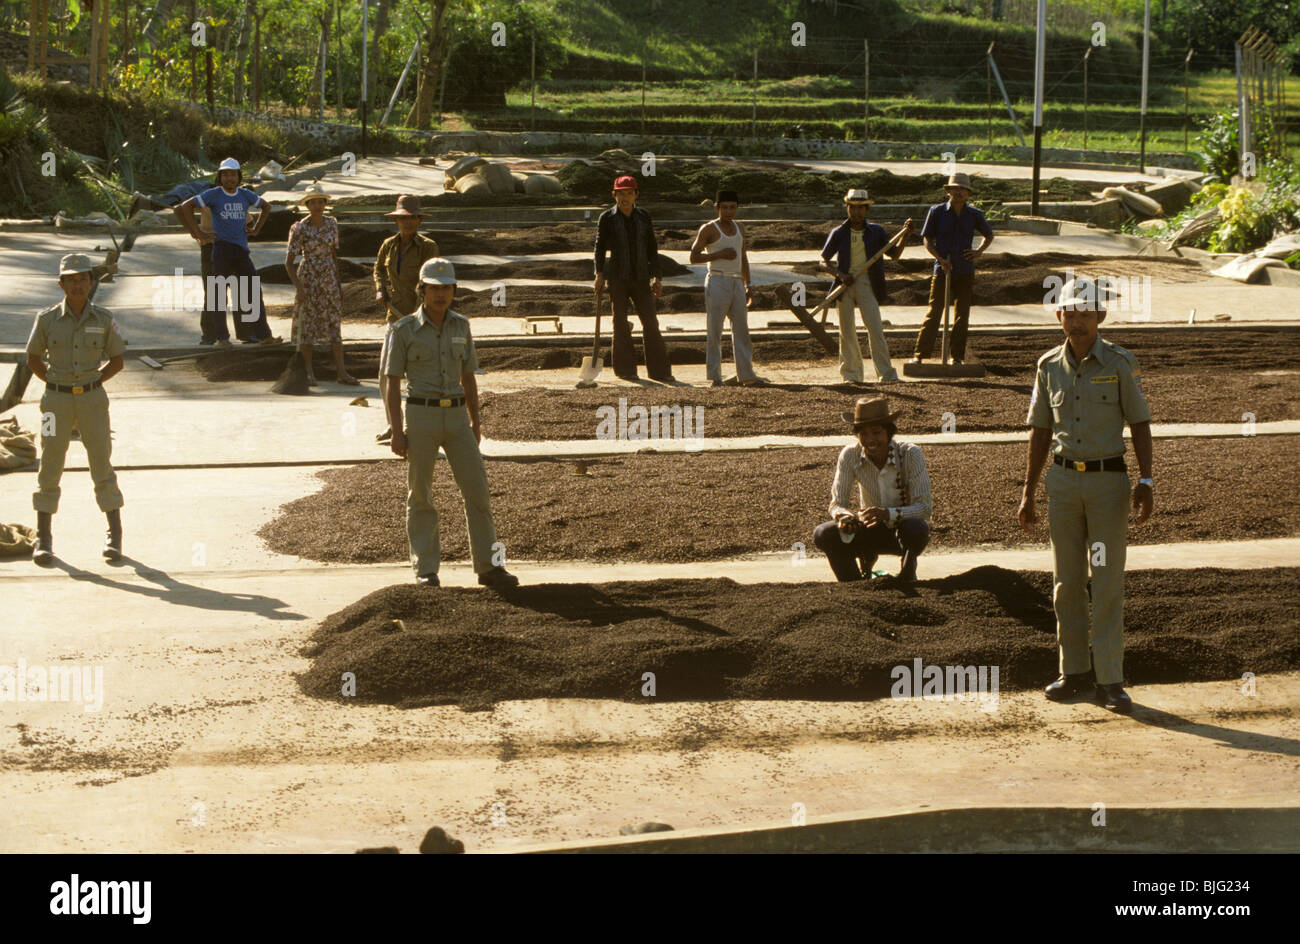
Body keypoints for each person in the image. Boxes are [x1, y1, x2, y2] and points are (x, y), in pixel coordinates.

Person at [1017, 276, 1154, 713]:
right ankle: (1073, 672)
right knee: (1066, 583)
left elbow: (1140, 423)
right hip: (1062, 484)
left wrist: (1146, 480)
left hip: (1106, 485)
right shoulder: (1047, 366)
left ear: (1100, 317)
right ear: (1059, 317)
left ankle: (1111, 678)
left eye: (1084, 314)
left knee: (1107, 580)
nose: (1076, 321)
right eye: (1068, 314)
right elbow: (1039, 430)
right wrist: (1029, 492)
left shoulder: (1119, 362)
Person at [383, 257, 518, 590]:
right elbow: (391, 383)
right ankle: (425, 569)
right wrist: (397, 431)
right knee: (421, 495)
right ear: (421, 290)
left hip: (457, 417)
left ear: (454, 290)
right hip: (421, 415)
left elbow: (468, 376)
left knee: (478, 492)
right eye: (434, 288)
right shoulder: (402, 330)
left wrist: (476, 421)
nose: (440, 294)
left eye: (446, 288)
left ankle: (489, 567)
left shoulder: (462, 326)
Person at [26, 254, 127, 564]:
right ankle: (44, 538)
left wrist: (91, 382)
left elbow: (117, 361)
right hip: (54, 404)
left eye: (83, 278)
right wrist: (57, 384)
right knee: (50, 462)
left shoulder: (104, 319)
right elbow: (32, 359)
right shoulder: (46, 319)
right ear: (61, 284)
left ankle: (115, 536)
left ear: (91, 282)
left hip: (93, 402)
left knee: (101, 462)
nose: (78, 284)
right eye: (71, 279)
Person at [812, 396, 931, 584]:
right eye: (863, 434)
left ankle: (908, 577)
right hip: (867, 530)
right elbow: (836, 504)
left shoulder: (910, 454)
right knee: (823, 533)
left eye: (876, 433)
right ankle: (854, 584)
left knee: (916, 528)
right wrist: (845, 517)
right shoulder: (850, 455)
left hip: (900, 532)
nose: (870, 440)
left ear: (889, 432)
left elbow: (924, 508)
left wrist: (887, 514)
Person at [175, 157, 278, 345]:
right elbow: (180, 208)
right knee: (215, 293)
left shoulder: (242, 195)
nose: (229, 179)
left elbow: (252, 215)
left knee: (247, 291)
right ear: (219, 177)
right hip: (213, 247)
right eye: (225, 175)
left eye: (233, 175)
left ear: (238, 177)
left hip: (239, 249)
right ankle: (214, 336)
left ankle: (256, 334)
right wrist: (196, 233)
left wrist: (254, 229)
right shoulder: (211, 195)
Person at [819, 189, 909, 384]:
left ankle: (887, 375)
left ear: (867, 209)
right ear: (847, 208)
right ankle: (851, 375)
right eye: (853, 208)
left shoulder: (877, 232)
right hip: (844, 285)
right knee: (847, 332)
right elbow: (823, 261)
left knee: (875, 329)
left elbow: (894, 255)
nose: (857, 212)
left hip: (867, 283)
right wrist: (840, 275)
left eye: (861, 208)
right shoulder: (839, 233)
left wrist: (905, 235)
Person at [593, 175, 674, 383]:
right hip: (617, 278)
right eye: (620, 193)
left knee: (650, 322)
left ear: (636, 194)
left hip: (641, 277)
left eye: (629, 193)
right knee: (619, 322)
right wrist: (599, 274)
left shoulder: (644, 216)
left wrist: (657, 277)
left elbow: (652, 248)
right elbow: (599, 247)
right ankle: (625, 370)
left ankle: (659, 372)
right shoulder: (607, 218)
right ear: (614, 195)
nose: (625, 197)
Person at [374, 195, 441, 443]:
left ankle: (422, 425)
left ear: (419, 220)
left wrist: (418, 313)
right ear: (397, 221)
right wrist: (380, 289)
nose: (407, 223)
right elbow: (378, 268)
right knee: (386, 372)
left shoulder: (428, 247)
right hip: (394, 318)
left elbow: (432, 281)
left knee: (420, 373)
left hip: (420, 320)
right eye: (403, 218)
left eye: (412, 218)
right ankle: (394, 424)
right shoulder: (389, 245)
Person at [910, 172, 994, 366]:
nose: (958, 192)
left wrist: (978, 252)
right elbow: (926, 239)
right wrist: (939, 258)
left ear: (967, 193)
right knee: (934, 312)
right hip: (942, 270)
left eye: (962, 189)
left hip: (965, 270)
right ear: (948, 191)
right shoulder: (937, 212)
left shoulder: (974, 214)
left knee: (961, 315)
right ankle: (920, 355)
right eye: (954, 189)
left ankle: (957, 356)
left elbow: (989, 235)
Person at [285, 184, 358, 386]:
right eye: (313, 202)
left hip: (328, 279)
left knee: (335, 324)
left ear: (325, 204)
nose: (317, 206)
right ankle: (309, 372)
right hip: (309, 278)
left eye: (320, 202)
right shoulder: (299, 228)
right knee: (308, 326)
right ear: (307, 205)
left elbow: (334, 255)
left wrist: (338, 283)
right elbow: (289, 262)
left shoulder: (332, 224)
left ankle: (341, 372)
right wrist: (299, 288)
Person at [689, 189, 760, 387]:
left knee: (742, 330)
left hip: (737, 281)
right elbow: (694, 257)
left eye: (733, 208)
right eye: (725, 208)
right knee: (715, 330)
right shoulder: (709, 229)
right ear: (717, 208)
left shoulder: (740, 227)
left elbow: (743, 257)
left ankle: (746, 375)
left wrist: (749, 284)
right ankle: (715, 376)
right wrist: (717, 254)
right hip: (717, 280)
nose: (729, 212)